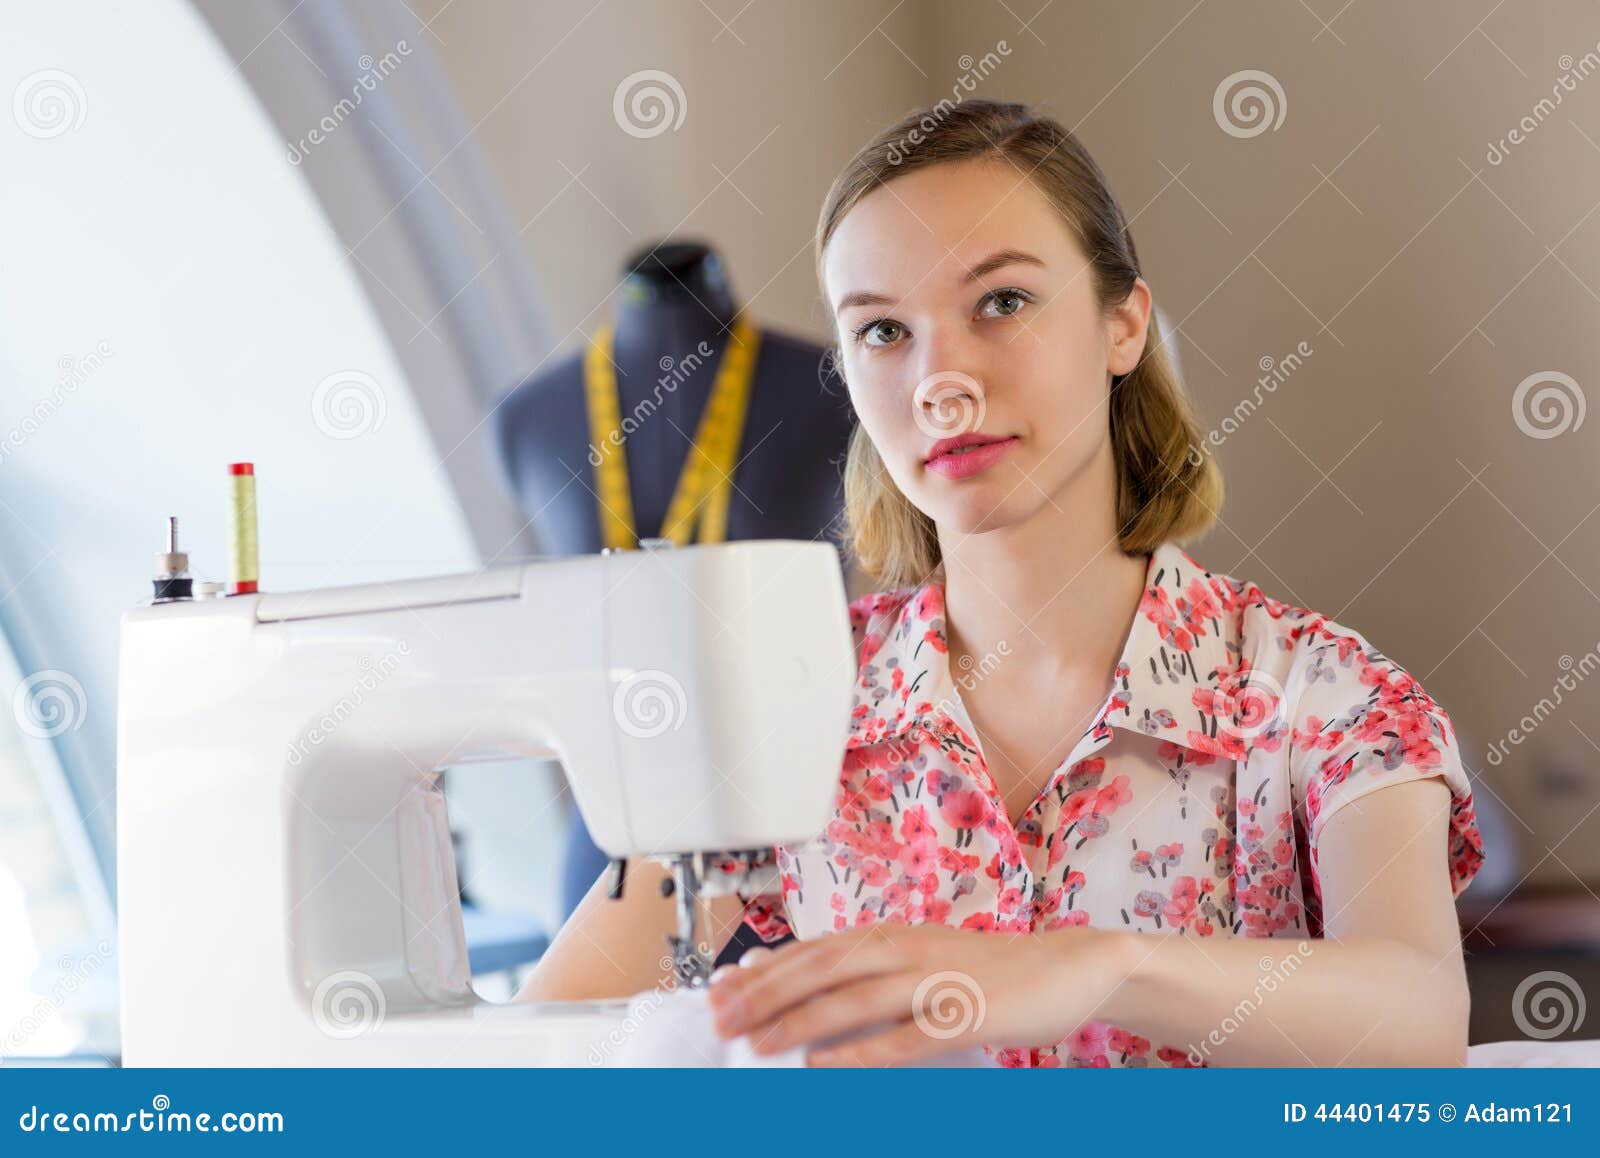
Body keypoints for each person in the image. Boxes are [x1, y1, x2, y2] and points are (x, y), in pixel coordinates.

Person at [518, 98, 1486, 1068]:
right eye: (884, 332)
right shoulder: (781, 702)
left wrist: (1102, 967)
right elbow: (539, 1048)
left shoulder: (1330, 698)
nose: (942, 382)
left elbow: (1417, 1016)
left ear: (1122, 327)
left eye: (1002, 302)